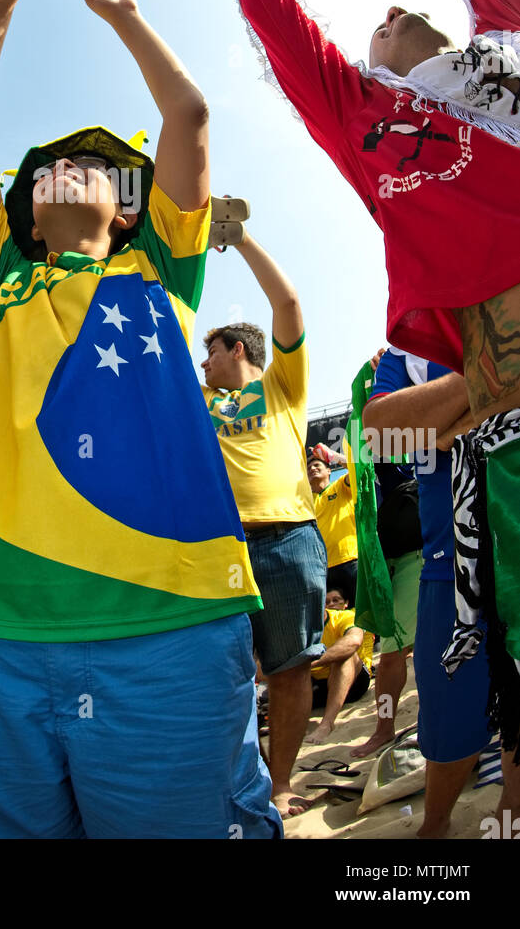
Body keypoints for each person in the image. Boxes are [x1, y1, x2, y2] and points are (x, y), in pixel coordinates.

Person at [0, 0, 279, 840]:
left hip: (168, 612)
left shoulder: (160, 272)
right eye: (46, 170)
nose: (66, 170)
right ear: (23, 212)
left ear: (130, 208)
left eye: (100, 168)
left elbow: (186, 117)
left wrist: (128, 18)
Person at [194, 0, 520, 756]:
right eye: (375, 31)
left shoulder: (508, 39)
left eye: (399, 13)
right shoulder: (364, 120)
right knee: (389, 430)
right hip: (488, 353)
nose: (387, 14)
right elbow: (289, 39)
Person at [362, 348, 517, 837]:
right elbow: (381, 434)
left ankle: (508, 815)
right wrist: (492, 379)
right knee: (448, 717)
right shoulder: (408, 346)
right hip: (448, 560)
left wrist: (441, 426)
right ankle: (436, 823)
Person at [201, 254, 324, 820]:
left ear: (238, 351)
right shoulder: (200, 404)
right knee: (221, 679)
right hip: (217, 552)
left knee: (291, 669)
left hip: (289, 541)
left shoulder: (282, 385)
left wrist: (242, 238)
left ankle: (278, 786)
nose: (204, 363)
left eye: (212, 351)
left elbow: (289, 304)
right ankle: (231, 788)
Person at [306, 584, 373, 744]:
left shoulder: (345, 616)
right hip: (317, 685)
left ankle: (326, 724)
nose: (331, 603)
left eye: (335, 600)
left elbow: (353, 641)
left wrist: (312, 662)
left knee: (344, 655)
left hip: (354, 681)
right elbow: (261, 670)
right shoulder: (299, 627)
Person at [307, 443, 358, 602]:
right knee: (333, 620)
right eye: (309, 468)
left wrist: (331, 456)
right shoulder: (305, 501)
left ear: (329, 471)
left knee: (361, 612)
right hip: (322, 570)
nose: (312, 469)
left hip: (350, 561)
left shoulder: (341, 486)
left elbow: (358, 467)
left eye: (317, 465)